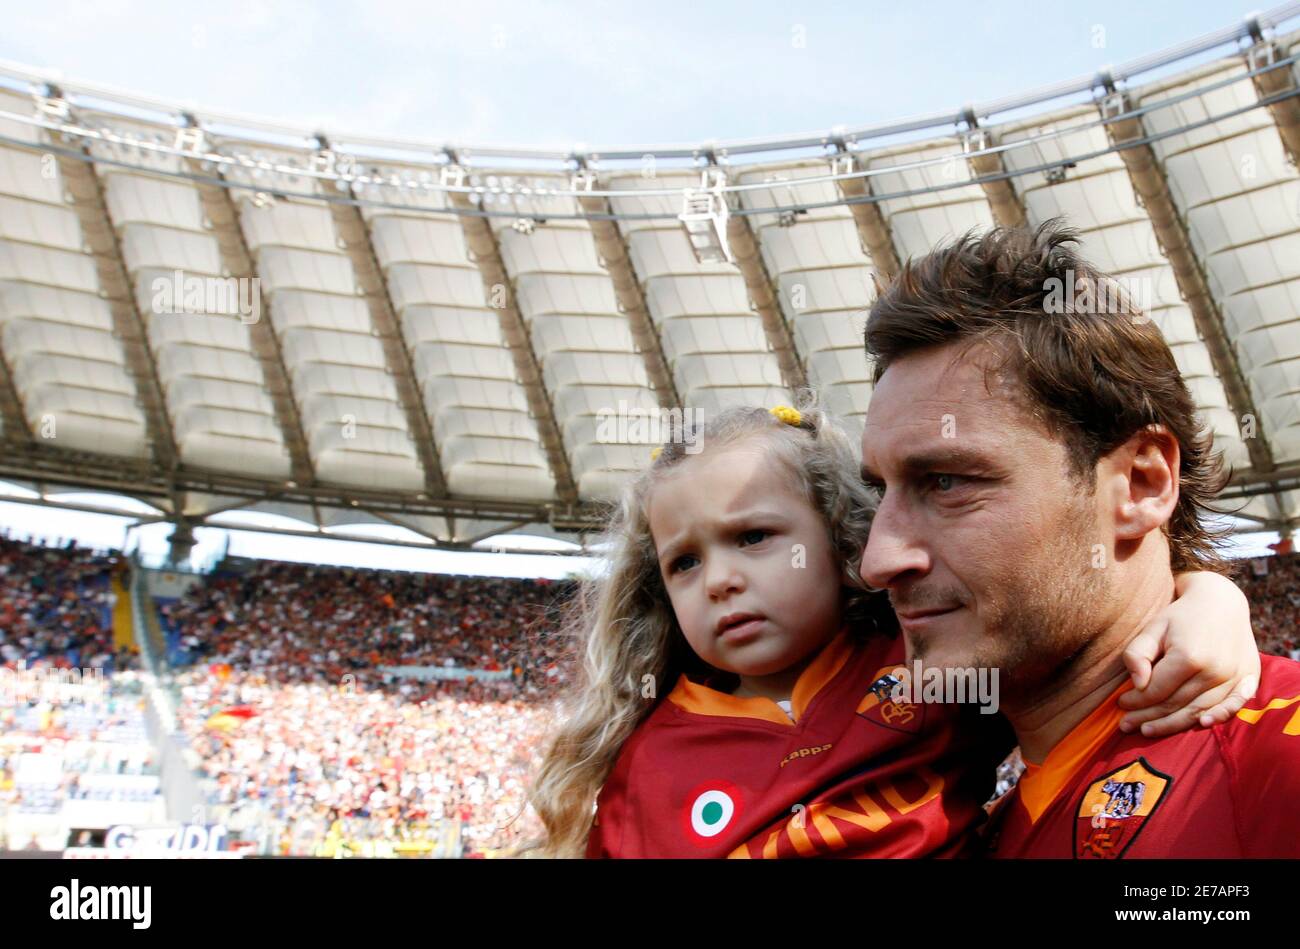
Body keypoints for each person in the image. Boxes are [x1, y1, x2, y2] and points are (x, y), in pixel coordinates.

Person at [527, 399, 1259, 858]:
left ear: (846, 537)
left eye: (753, 536)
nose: (718, 578)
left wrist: (1211, 598)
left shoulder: (932, 666)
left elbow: (1084, 641)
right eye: (684, 561)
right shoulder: (650, 762)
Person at [859, 218, 1300, 857]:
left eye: (948, 482)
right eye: (880, 491)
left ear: (1142, 484)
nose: (878, 559)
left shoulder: (1277, 762)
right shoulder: (952, 831)